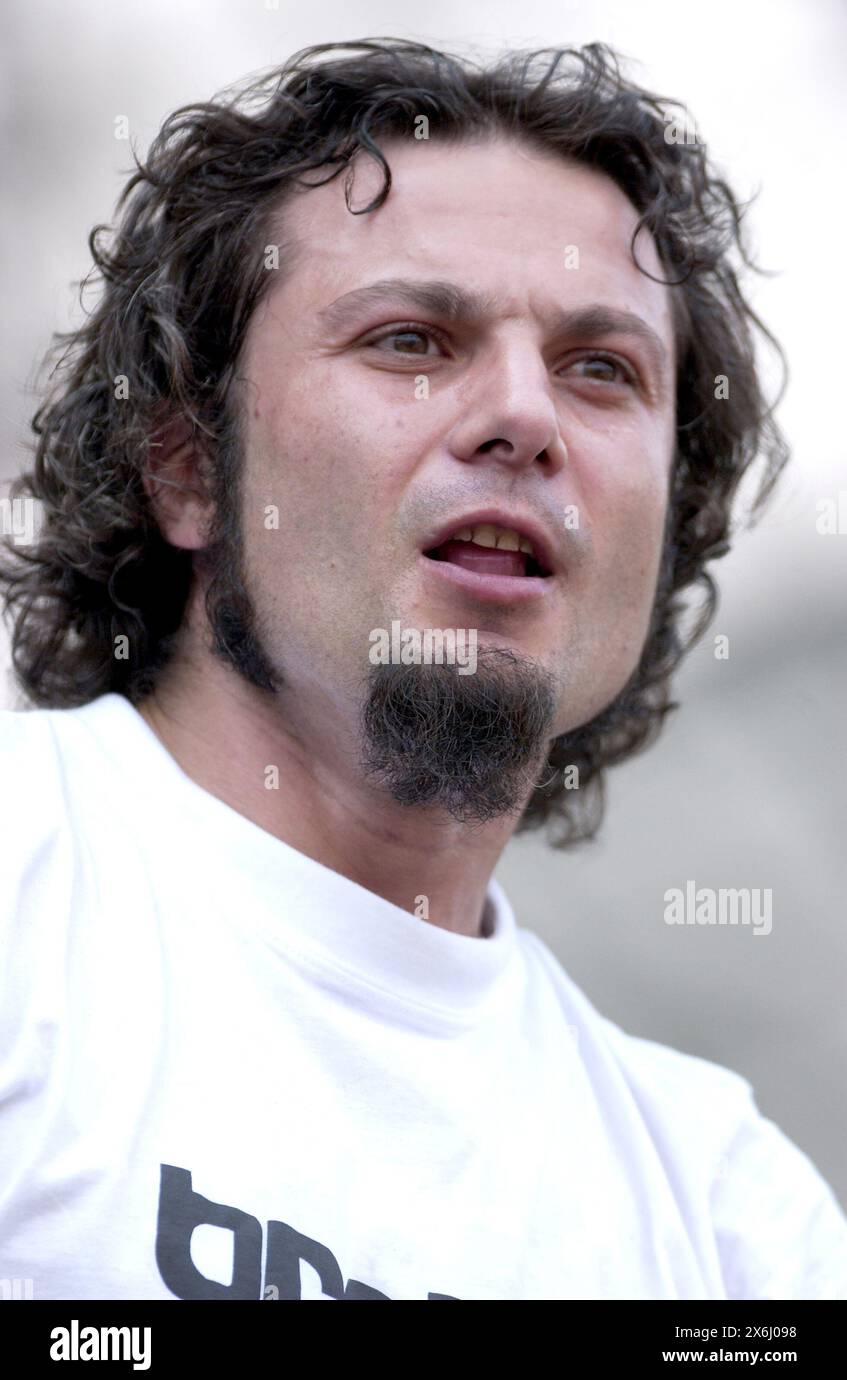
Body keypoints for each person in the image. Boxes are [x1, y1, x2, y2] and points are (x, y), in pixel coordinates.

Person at [1, 37, 844, 1301]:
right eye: (410, 339)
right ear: (185, 463)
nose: (525, 417)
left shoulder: (736, 1227)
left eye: (601, 369)